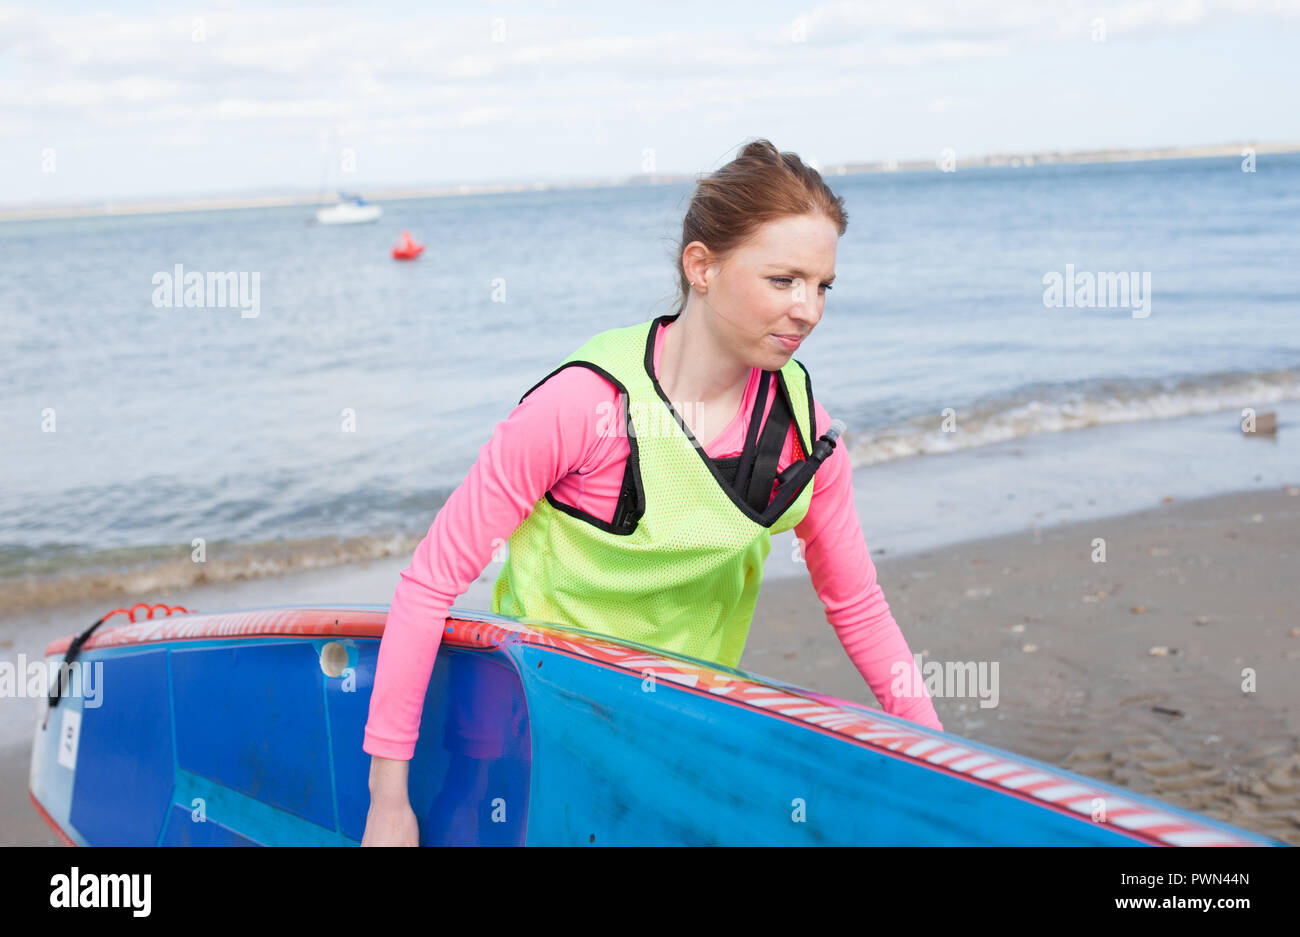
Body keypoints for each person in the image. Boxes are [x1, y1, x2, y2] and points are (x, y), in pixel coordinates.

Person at [361, 138, 943, 846]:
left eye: (822, 285)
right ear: (702, 266)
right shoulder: (582, 407)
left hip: (684, 734)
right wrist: (388, 801)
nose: (808, 309)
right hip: (539, 729)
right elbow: (428, 583)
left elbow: (856, 603)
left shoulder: (804, 434)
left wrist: (937, 758)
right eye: (784, 279)